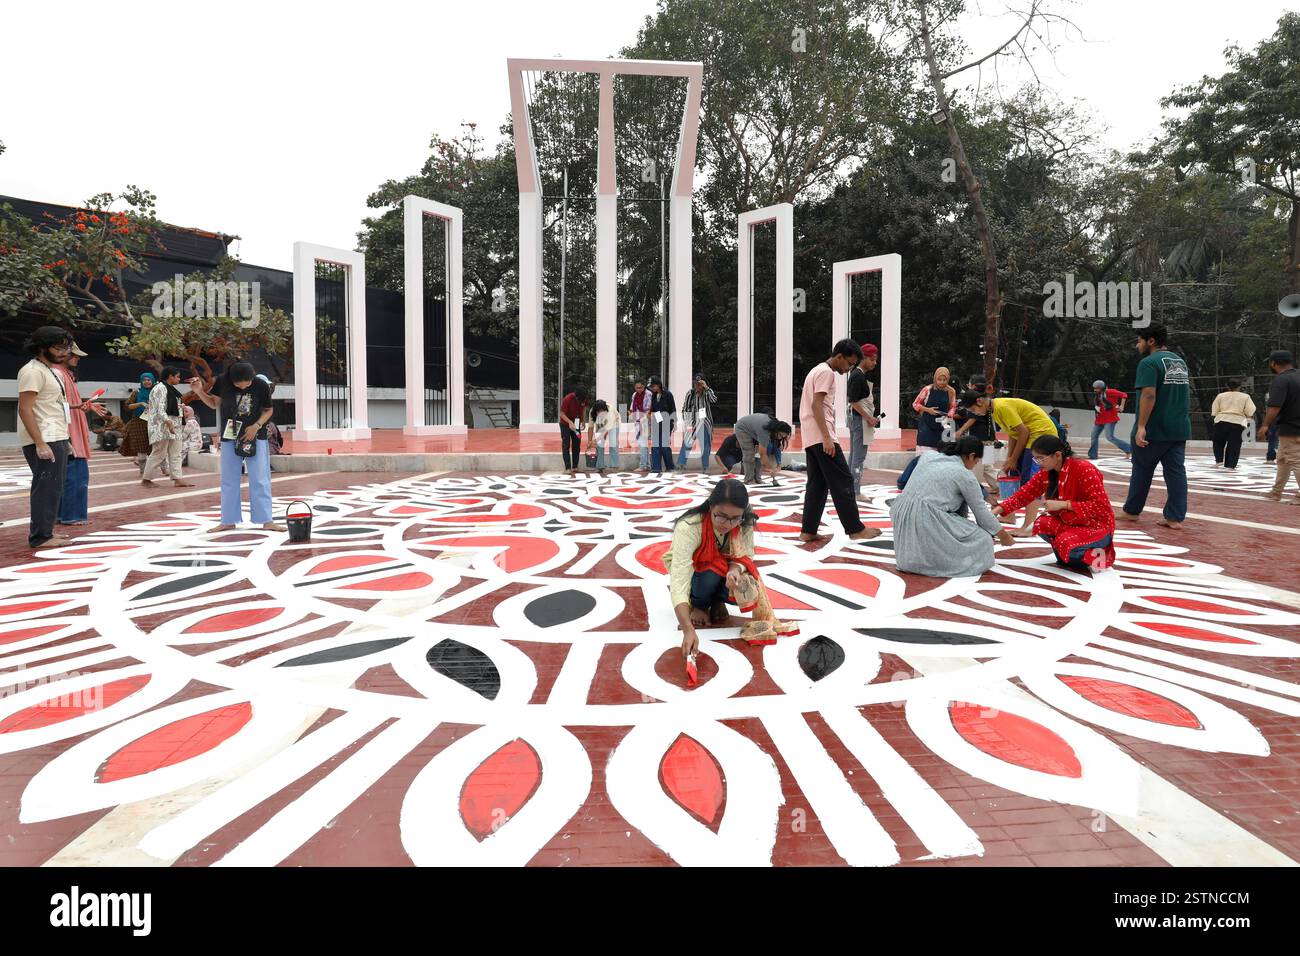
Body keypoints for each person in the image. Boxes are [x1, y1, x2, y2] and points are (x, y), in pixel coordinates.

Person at [664, 478, 797, 660]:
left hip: (723, 571)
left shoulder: (744, 521)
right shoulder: (689, 526)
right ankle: (700, 604)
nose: (727, 524)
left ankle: (718, 601)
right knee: (711, 572)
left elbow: (746, 555)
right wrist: (688, 629)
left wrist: (734, 571)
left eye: (735, 518)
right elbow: (680, 579)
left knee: (748, 588)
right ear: (711, 506)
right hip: (699, 574)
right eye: (721, 516)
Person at [889, 437, 1015, 576]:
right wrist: (1003, 536)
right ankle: (939, 564)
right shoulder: (964, 474)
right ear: (971, 456)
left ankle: (916, 560)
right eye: (977, 461)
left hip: (901, 511)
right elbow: (982, 514)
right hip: (928, 518)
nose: (975, 465)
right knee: (983, 539)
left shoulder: (929, 456)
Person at [187, 361, 285, 532]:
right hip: (230, 430)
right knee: (229, 479)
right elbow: (213, 403)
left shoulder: (260, 385)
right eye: (238, 384)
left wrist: (257, 426)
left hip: (255, 432)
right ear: (231, 379)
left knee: (260, 478)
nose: (243, 387)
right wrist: (199, 391)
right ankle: (228, 520)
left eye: (247, 383)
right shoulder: (222, 382)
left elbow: (268, 410)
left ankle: (266, 520)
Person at [798, 339, 881, 543]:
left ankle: (808, 531)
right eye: (849, 363)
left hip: (811, 436)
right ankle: (855, 528)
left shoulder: (815, 370)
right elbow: (817, 405)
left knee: (817, 484)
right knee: (843, 480)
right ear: (839, 357)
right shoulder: (826, 373)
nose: (849, 368)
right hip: (822, 436)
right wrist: (827, 438)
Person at [993, 435, 1116, 571]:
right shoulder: (1046, 472)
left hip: (1095, 525)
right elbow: (1023, 495)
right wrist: (998, 510)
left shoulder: (1084, 469)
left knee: (1066, 543)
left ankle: (1095, 556)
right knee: (1041, 523)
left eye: (1041, 458)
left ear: (1057, 455)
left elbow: (1101, 507)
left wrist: (1064, 504)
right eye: (1036, 458)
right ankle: (1070, 554)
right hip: (1070, 523)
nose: (1038, 462)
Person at [1120, 324, 1191, 529]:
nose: (1137, 345)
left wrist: (1141, 425)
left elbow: (1149, 394)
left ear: (1151, 341)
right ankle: (1174, 517)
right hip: (1179, 428)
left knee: (1141, 471)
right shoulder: (1180, 361)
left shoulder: (1148, 363)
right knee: (1176, 473)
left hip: (1155, 429)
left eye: (1140, 340)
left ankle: (1132, 511)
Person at [16, 327, 75, 549]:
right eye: (59, 348)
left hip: (55, 436)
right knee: (46, 488)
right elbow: (25, 409)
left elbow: (54, 407)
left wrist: (65, 439)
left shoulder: (51, 371)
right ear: (42, 347)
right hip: (43, 439)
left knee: (54, 488)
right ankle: (40, 536)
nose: (64, 353)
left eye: (66, 348)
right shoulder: (32, 371)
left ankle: (46, 532)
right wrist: (40, 443)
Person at [53, 341, 105, 526]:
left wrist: (86, 405)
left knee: (68, 476)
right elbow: (53, 405)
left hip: (69, 431)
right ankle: (72, 516)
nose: (77, 358)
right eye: (73, 355)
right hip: (68, 433)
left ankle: (62, 515)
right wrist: (80, 406)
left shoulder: (66, 375)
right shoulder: (58, 374)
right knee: (76, 476)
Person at [141, 367, 193, 489]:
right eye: (177, 376)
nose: (179, 379)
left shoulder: (170, 389)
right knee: (159, 453)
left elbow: (170, 406)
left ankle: (178, 478)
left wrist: (180, 407)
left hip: (174, 425)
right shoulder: (160, 388)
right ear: (170, 376)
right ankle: (146, 479)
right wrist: (168, 422)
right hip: (162, 426)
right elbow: (159, 409)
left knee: (176, 453)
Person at [1261, 350, 1300, 504]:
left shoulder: (1281, 380)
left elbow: (1274, 406)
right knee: (1283, 459)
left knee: (1296, 460)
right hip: (1293, 427)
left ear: (1273, 363)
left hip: (1291, 427)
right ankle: (1276, 491)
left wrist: (1265, 425)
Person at [954, 373, 1000, 498]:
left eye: (969, 384)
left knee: (978, 465)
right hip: (989, 437)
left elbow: (973, 418)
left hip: (980, 438)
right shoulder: (985, 398)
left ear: (973, 385)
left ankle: (974, 488)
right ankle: (998, 485)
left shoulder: (976, 400)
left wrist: (960, 431)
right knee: (988, 465)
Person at [847, 344, 881, 499]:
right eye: (873, 359)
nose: (875, 363)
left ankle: (850, 488)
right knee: (859, 456)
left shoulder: (857, 374)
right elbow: (853, 401)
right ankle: (855, 490)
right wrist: (868, 417)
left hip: (857, 419)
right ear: (864, 358)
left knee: (855, 454)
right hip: (860, 420)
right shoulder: (858, 375)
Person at [726, 414, 793, 483]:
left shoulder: (774, 427)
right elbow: (763, 454)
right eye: (780, 435)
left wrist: (778, 464)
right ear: (776, 430)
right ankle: (749, 480)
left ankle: (757, 478)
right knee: (749, 453)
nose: (780, 438)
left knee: (757, 454)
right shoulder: (765, 432)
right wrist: (770, 469)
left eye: (783, 437)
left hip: (754, 429)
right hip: (742, 428)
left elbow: (767, 451)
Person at [1210, 379, 1256, 470]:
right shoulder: (1245, 397)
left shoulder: (1220, 396)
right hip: (1237, 422)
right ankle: (1230, 465)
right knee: (1234, 445)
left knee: (1218, 442)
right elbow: (1250, 410)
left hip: (1221, 420)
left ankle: (1219, 461)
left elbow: (1214, 410)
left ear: (1227, 386)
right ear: (1239, 386)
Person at [677, 374, 717, 473]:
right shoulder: (690, 393)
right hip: (692, 422)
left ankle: (705, 467)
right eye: (695, 384)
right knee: (687, 443)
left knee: (705, 445)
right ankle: (681, 465)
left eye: (699, 384)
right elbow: (685, 409)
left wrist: (706, 388)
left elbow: (714, 400)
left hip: (705, 422)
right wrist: (687, 423)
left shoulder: (707, 392)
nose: (697, 386)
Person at [912, 367, 958, 451]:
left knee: (945, 450)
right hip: (927, 424)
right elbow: (915, 404)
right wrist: (928, 410)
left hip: (943, 424)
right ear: (935, 378)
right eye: (939, 379)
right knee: (925, 450)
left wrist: (950, 414)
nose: (942, 382)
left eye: (944, 380)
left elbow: (953, 407)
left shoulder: (951, 391)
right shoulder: (927, 389)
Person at [119, 371, 157, 471]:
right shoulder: (137, 392)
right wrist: (140, 403)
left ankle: (163, 467)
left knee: (158, 445)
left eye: (148, 380)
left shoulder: (157, 391)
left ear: (152, 380)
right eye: (144, 380)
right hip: (139, 422)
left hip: (155, 422)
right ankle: (143, 470)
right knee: (141, 447)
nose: (146, 382)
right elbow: (127, 406)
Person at [1088, 380, 1131, 460]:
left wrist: (1122, 406)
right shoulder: (1098, 396)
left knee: (1110, 437)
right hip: (1100, 419)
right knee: (1094, 436)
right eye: (1094, 388)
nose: (1095, 390)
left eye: (1097, 388)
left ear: (1102, 388)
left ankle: (1129, 449)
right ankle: (1093, 455)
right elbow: (1098, 407)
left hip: (1110, 419)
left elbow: (1124, 395)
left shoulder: (1110, 392)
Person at [647, 375, 676, 473]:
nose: (652, 388)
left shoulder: (668, 394)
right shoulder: (654, 395)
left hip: (667, 422)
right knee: (655, 445)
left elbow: (672, 409)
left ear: (658, 385)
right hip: (656, 422)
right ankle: (656, 467)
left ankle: (670, 467)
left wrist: (674, 423)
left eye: (653, 386)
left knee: (664, 445)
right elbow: (654, 409)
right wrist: (650, 412)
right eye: (651, 387)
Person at [558, 385, 588, 477]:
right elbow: (561, 414)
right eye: (580, 401)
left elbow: (584, 409)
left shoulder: (584, 398)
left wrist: (583, 420)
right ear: (576, 397)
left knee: (576, 444)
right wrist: (570, 422)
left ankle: (575, 466)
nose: (581, 402)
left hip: (576, 422)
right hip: (565, 423)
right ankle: (567, 468)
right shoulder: (568, 399)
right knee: (566, 444)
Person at [586, 399, 621, 476]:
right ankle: (599, 466)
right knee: (599, 445)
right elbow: (591, 427)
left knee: (613, 444)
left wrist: (595, 440)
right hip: (600, 423)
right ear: (596, 410)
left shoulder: (610, 411)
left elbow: (606, 430)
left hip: (614, 423)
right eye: (598, 411)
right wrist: (589, 441)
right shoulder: (592, 412)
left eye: (602, 411)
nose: (600, 413)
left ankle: (614, 466)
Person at [629, 379, 652, 472]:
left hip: (645, 421)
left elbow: (650, 408)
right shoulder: (634, 395)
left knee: (643, 443)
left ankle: (643, 465)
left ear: (644, 386)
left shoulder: (648, 394)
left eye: (640, 387)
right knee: (643, 444)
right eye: (637, 387)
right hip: (637, 421)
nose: (638, 389)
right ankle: (647, 465)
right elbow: (632, 408)